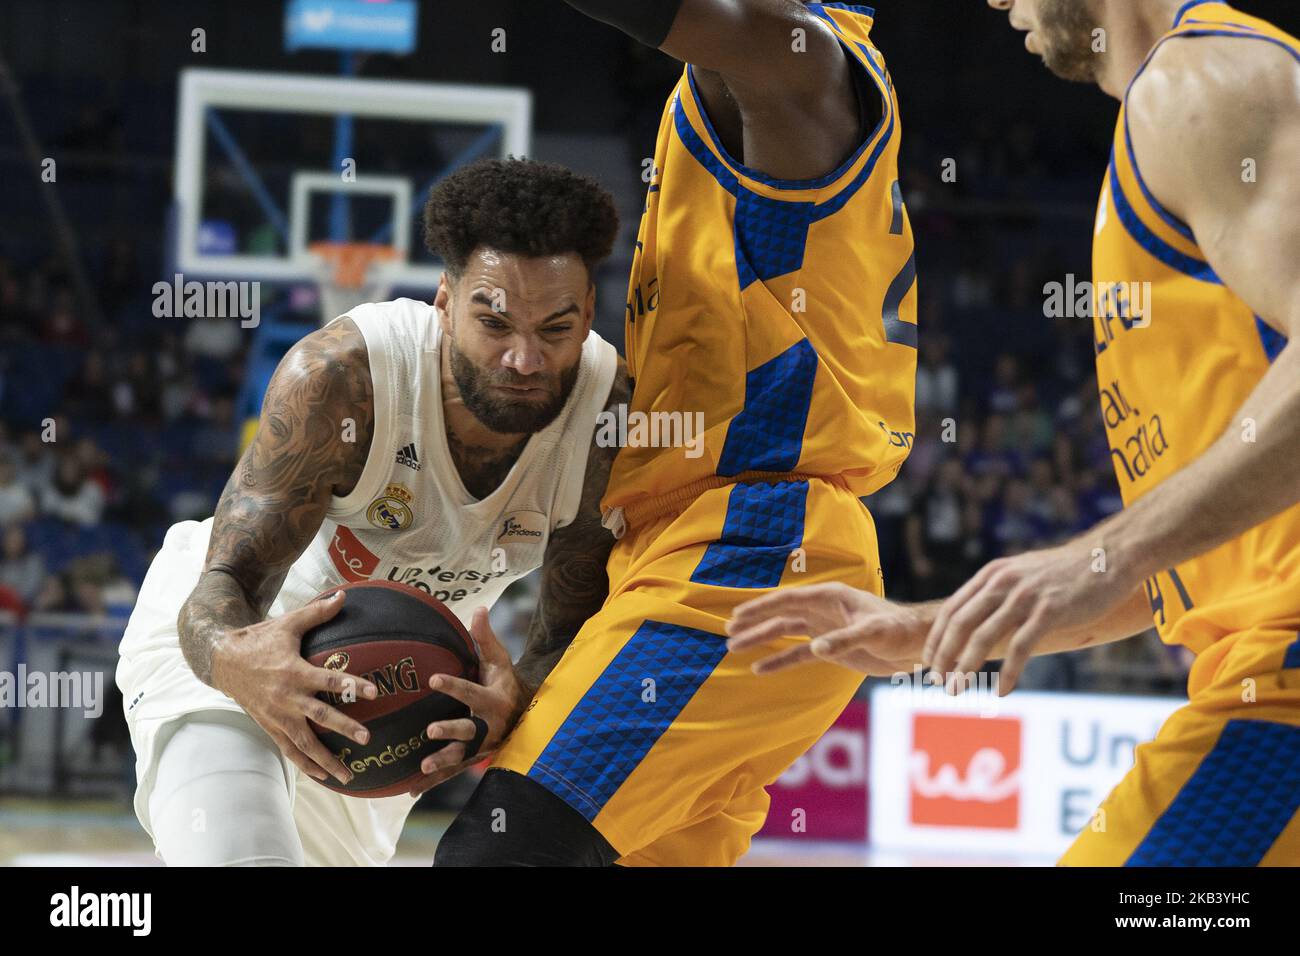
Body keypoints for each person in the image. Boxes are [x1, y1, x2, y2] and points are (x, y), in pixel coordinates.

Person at [729, 0, 1300, 866]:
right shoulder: (1171, 115)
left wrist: (1098, 555)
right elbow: (1207, 558)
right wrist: (933, 630)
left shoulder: (1204, 81)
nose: (997, 2)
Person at [435, 0, 917, 866]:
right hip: (692, 544)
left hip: (753, 542)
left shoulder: (806, 60)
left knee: (499, 855)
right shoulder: (733, 100)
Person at [116, 158, 630, 865]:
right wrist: (238, 659)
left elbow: (568, 633)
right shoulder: (343, 376)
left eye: (554, 328)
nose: (523, 357)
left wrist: (518, 699)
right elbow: (221, 591)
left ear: (588, 316)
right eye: (495, 322)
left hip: (396, 697)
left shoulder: (608, 414)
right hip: (245, 646)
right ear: (445, 303)